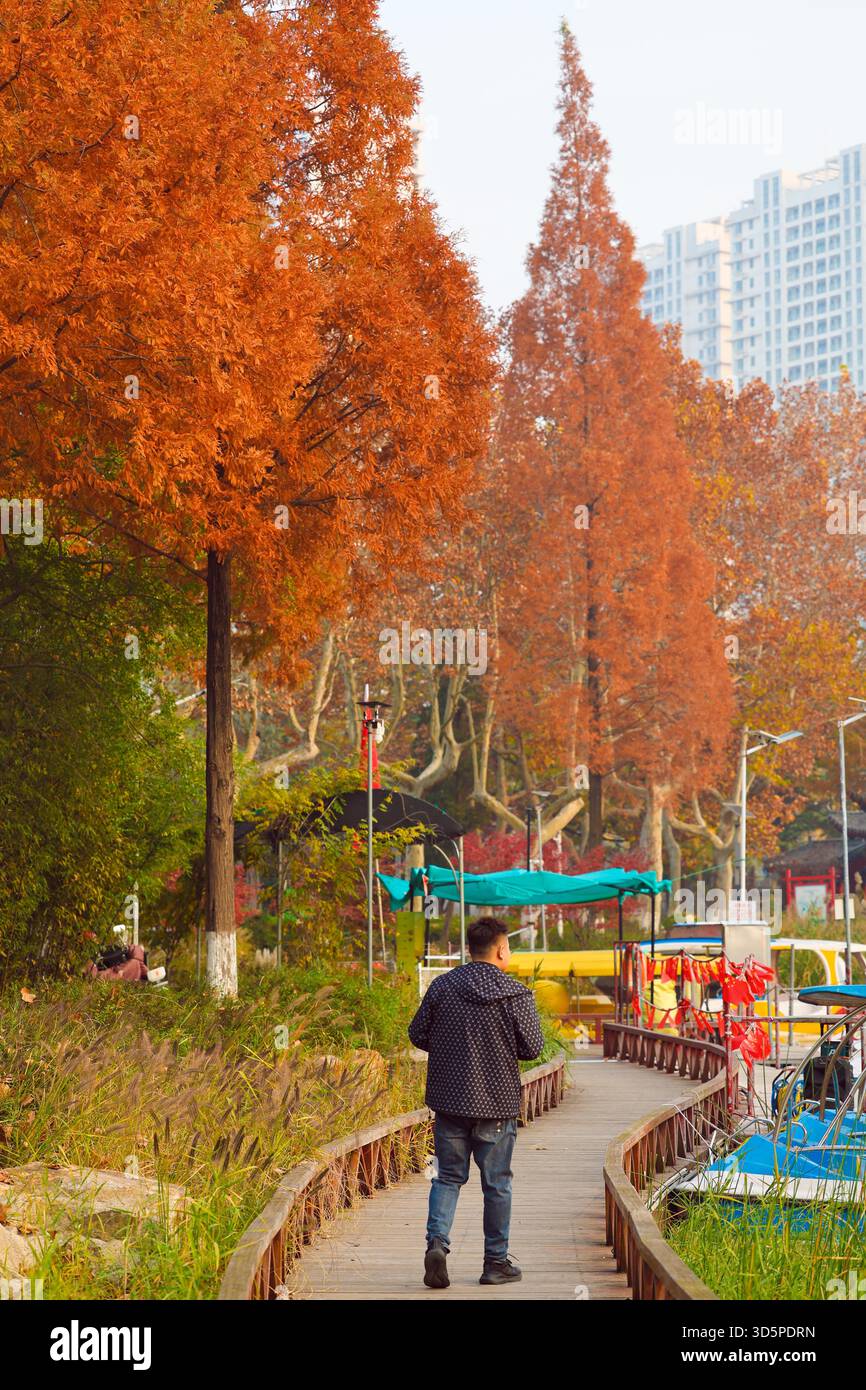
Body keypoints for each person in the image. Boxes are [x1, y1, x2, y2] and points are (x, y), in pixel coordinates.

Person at [407, 915, 544, 1290]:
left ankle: (437, 1244)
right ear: (501, 949)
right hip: (496, 1106)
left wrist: (451, 1047)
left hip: (449, 1103)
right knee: (496, 1184)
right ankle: (495, 1263)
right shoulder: (516, 994)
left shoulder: (442, 986)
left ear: (471, 948)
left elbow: (418, 1032)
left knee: (447, 1178)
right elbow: (533, 1047)